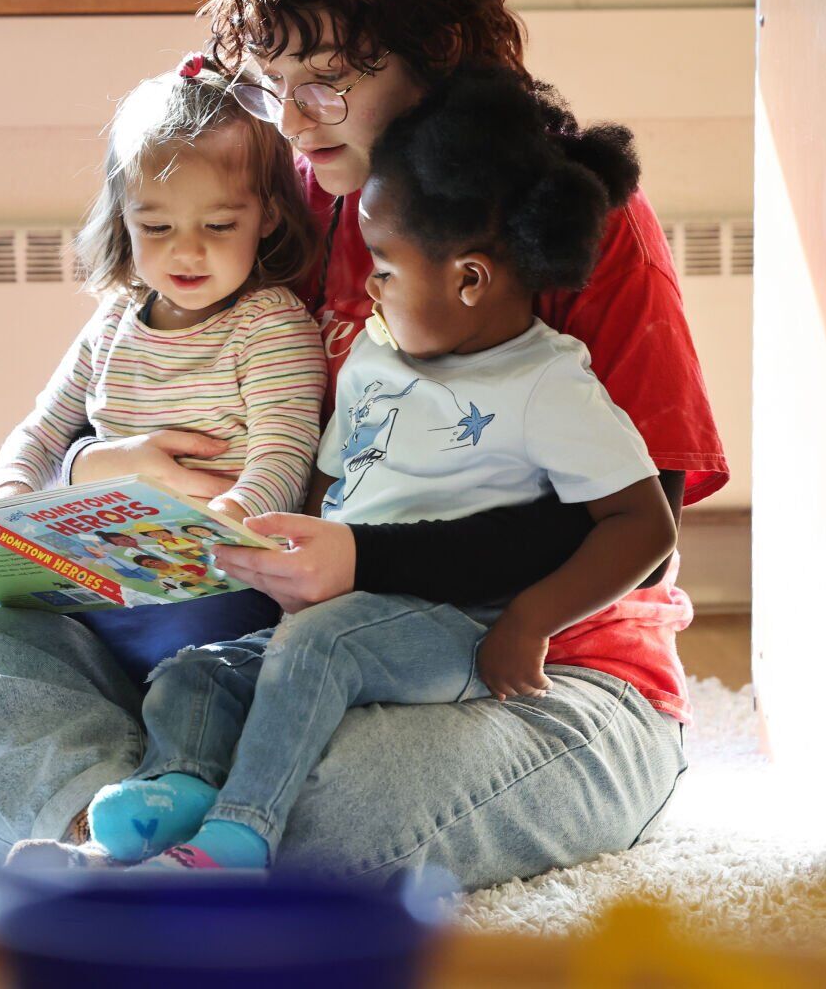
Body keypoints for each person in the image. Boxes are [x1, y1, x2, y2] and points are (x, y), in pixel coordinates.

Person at [0, 0, 726, 887]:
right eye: (267, 84)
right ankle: (139, 824)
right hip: (259, 647)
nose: (292, 121)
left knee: (334, 797)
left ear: (439, 53)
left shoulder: (574, 217)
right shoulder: (281, 189)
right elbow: (123, 365)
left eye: (327, 81)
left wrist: (361, 558)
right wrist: (98, 469)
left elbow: (642, 526)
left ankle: (105, 824)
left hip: (539, 672)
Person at [59, 66, 678, 872]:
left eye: (383, 266)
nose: (369, 287)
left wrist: (529, 621)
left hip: (461, 624)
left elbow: (644, 525)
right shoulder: (373, 363)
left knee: (319, 665)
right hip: (346, 621)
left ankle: (237, 835)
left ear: (468, 279)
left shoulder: (547, 383)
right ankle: (175, 787)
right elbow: (328, 487)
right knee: (197, 673)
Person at [0, 58, 327, 697]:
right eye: (157, 226)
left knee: (196, 670)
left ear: (267, 215)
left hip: (209, 585)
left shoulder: (270, 324)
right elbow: (42, 431)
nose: (186, 250)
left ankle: (110, 757)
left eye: (218, 225)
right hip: (97, 571)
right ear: (124, 217)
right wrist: (9, 496)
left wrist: (226, 522)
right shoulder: (118, 316)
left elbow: (284, 455)